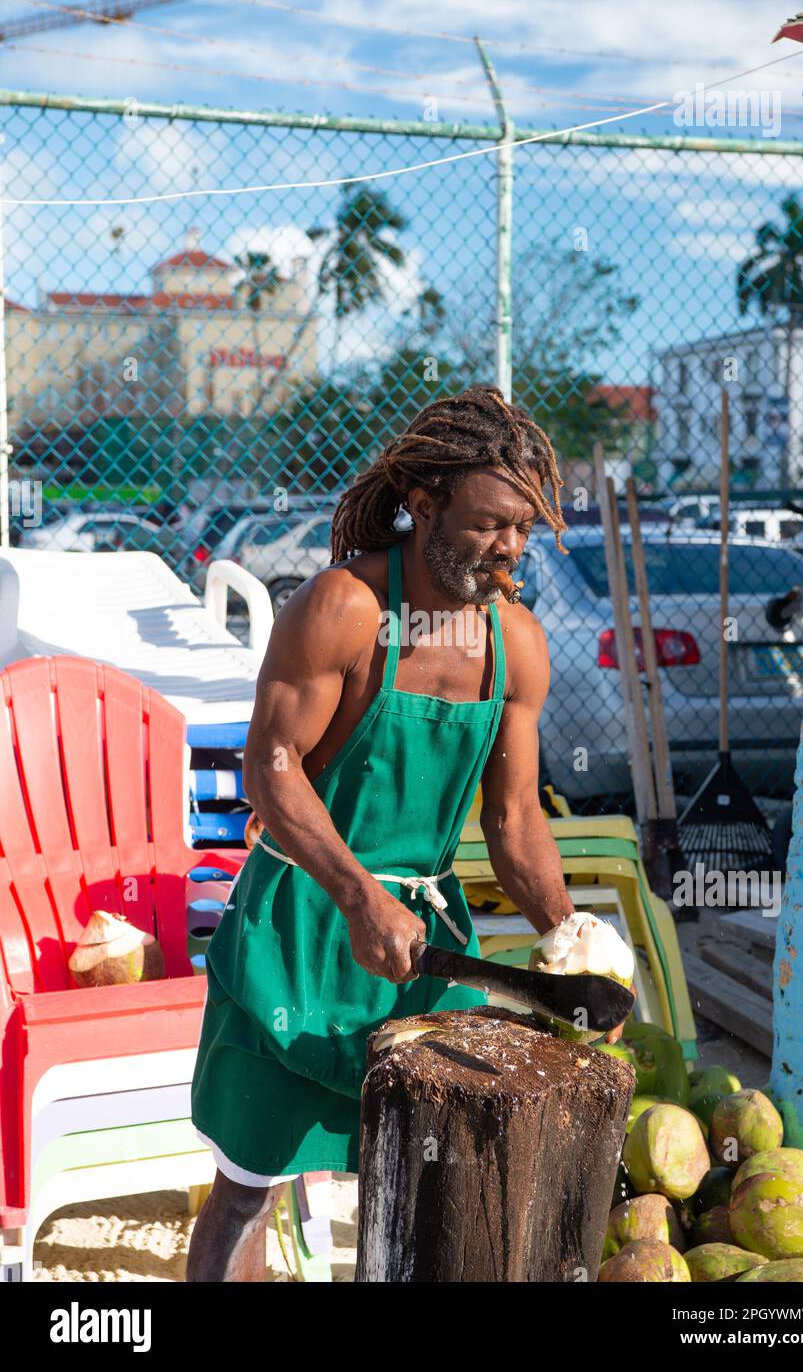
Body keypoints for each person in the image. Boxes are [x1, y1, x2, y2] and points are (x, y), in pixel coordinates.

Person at [187, 383, 626, 1281]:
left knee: (431, 1175)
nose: (509, 548)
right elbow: (268, 770)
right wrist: (355, 893)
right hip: (301, 925)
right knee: (249, 1183)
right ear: (422, 502)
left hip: (427, 937)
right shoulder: (343, 609)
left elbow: (512, 819)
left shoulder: (516, 643)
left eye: (523, 529)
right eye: (488, 523)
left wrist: (567, 936)